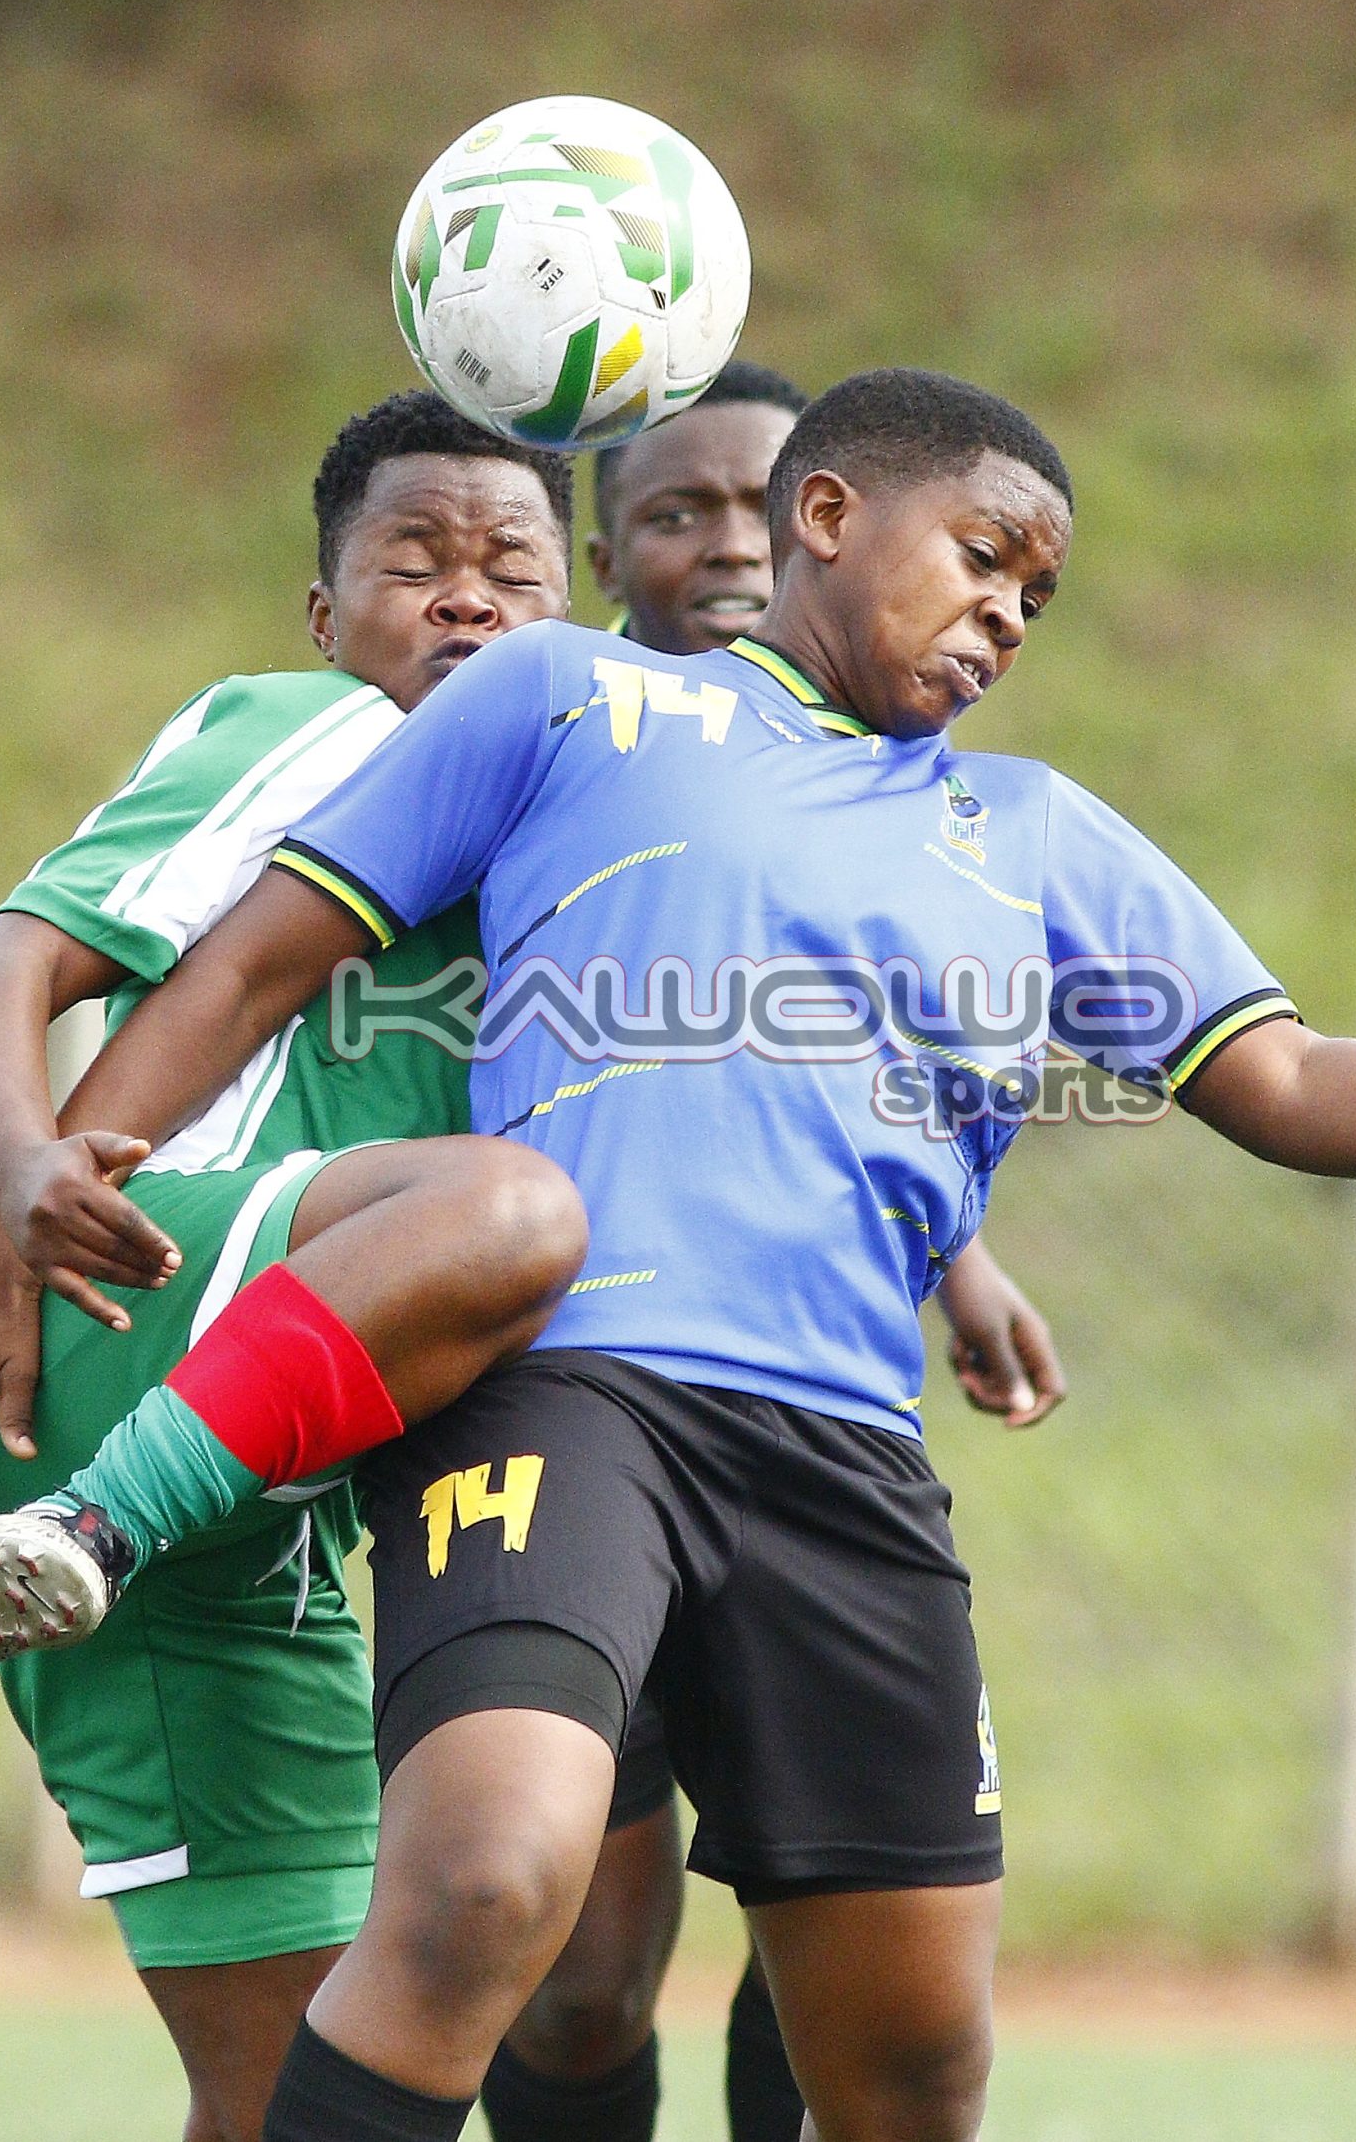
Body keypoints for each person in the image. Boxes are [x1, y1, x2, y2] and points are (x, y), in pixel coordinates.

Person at [0, 369, 1356, 2142]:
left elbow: (1286, 1082)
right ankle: (114, 1525)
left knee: (915, 2068)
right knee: (486, 1895)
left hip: (842, 1461)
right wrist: (24, 1232)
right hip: (564, 1402)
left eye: (1037, 594)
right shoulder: (560, 699)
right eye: (985, 555)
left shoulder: (1034, 834)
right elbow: (250, 968)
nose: (1008, 612)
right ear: (823, 515)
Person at [0, 385, 1055, 2142]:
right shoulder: (306, 731)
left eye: (510, 570)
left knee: (293, 2085)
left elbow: (762, 1070)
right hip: (153, 1356)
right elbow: (16, 986)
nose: (469, 600)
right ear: (324, 615)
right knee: (513, 1212)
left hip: (302, 1446)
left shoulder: (586, 809)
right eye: (417, 563)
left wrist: (962, 1259)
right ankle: (89, 1528)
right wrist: (3, 1223)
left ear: (581, 611)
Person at [484, 357, 1064, 2142]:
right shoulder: (544, 734)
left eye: (755, 501)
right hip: (573, 1391)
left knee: (825, 1935)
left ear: (817, 510)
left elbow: (850, 1043)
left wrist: (958, 1258)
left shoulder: (895, 778)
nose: (724, 544)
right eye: (677, 511)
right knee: (576, 1963)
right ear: (605, 553)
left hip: (797, 1416)